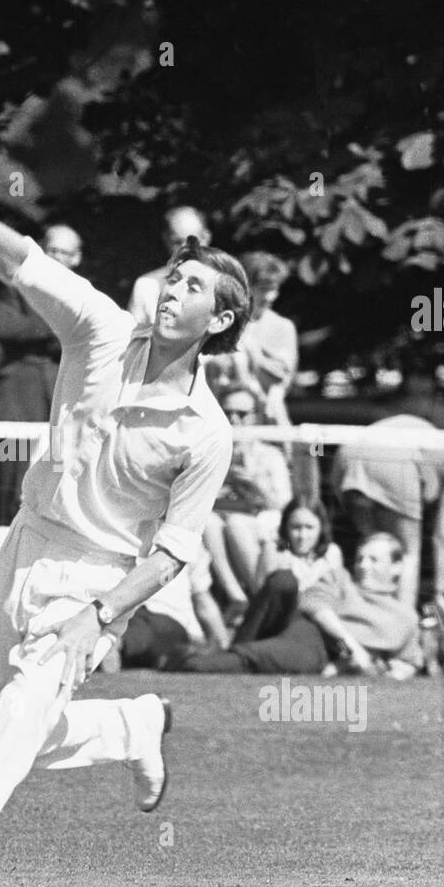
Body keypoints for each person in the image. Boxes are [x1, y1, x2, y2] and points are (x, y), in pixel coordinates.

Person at [0, 184, 251, 887]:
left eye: (192, 287)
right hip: (23, 548)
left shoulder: (205, 431)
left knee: (16, 718)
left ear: (221, 318)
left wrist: (102, 614)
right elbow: (24, 264)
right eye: (173, 277)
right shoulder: (100, 330)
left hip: (92, 580)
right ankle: (131, 725)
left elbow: (173, 552)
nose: (172, 290)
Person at [177, 532, 420, 678]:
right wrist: (352, 645)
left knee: (259, 656)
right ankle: (197, 661)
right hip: (305, 628)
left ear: (396, 566)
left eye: (374, 560)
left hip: (322, 651)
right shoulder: (341, 578)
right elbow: (316, 606)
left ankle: (189, 662)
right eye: (360, 558)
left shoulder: (405, 618)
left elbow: (407, 663)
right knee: (284, 582)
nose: (363, 565)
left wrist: (366, 668)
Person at [0, 223, 83, 524]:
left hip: (63, 388)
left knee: (60, 467)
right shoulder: (18, 284)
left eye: (64, 252)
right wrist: (55, 328)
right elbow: (4, 327)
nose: (56, 257)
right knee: (13, 466)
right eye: (51, 249)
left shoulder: (84, 294)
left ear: (76, 258)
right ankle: (2, 536)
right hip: (21, 388)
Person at [332, 414, 444, 609]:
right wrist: (440, 593)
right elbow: (443, 536)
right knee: (406, 553)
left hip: (347, 454)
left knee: (372, 549)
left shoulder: (434, 438)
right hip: (393, 459)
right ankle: (404, 628)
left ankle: (364, 618)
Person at [202, 384, 292, 611]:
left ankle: (264, 600)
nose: (234, 419)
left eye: (241, 414)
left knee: (236, 524)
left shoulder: (271, 456)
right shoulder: (209, 451)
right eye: (227, 412)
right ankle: (237, 597)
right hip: (219, 518)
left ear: (256, 417)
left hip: (260, 523)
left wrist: (254, 484)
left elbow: (286, 506)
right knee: (209, 523)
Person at [204, 252, 298, 424]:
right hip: (220, 419)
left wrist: (251, 351)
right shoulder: (222, 323)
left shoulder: (283, 327)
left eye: (274, 288)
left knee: (315, 450)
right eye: (263, 289)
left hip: (268, 420)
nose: (270, 296)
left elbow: (282, 382)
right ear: (245, 287)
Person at [118, 542, 229, 670]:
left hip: (172, 620)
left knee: (153, 629)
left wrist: (222, 641)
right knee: (134, 624)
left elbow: (203, 599)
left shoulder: (189, 541)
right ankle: (114, 647)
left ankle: (116, 646)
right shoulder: (124, 536)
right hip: (128, 614)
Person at [127, 206, 211, 326]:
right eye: (177, 242)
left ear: (206, 238)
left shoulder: (225, 283)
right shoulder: (146, 286)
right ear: (166, 240)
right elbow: (135, 340)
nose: (185, 249)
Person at [254, 495, 342, 593]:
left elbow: (338, 596)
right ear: (285, 527)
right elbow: (262, 597)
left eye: (309, 527)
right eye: (296, 527)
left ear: (321, 528)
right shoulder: (274, 551)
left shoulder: (331, 553)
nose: (302, 536)